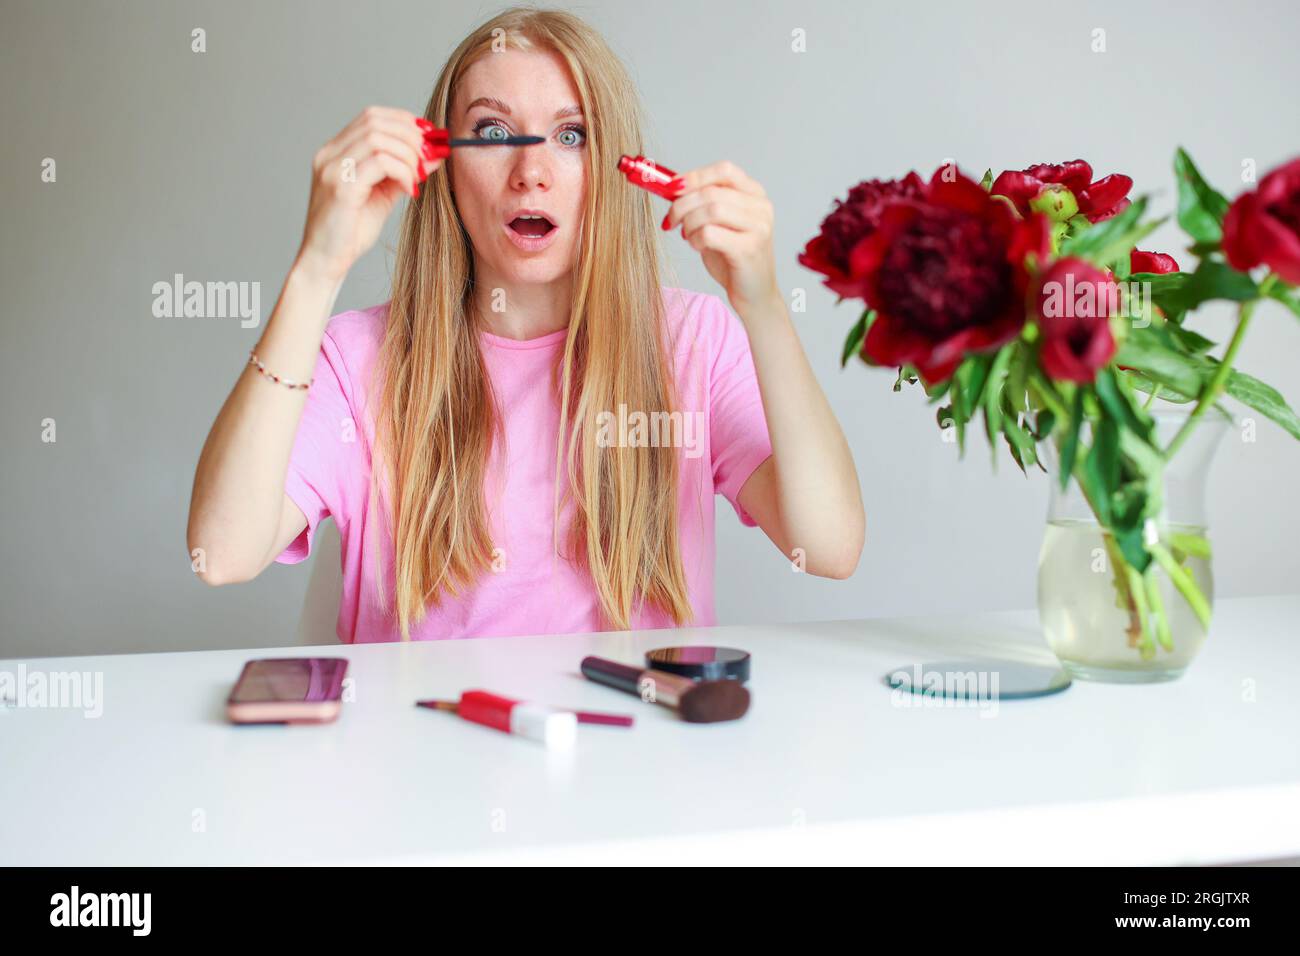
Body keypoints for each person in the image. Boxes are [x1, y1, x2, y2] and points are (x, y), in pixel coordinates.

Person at [187, 7, 864, 642]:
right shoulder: (357, 357)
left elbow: (830, 546)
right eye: (491, 132)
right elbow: (219, 553)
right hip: (420, 754)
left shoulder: (696, 343)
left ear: (617, 169)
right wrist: (317, 267)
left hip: (642, 757)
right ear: (441, 168)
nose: (531, 172)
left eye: (572, 136)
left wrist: (764, 305)